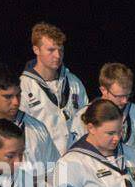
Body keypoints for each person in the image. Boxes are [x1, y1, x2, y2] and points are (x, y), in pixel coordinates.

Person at [19, 22, 88, 154]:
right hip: (42, 164)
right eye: (51, 50)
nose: (57, 55)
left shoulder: (74, 82)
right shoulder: (23, 86)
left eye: (60, 50)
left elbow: (86, 122)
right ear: (36, 50)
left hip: (74, 160)